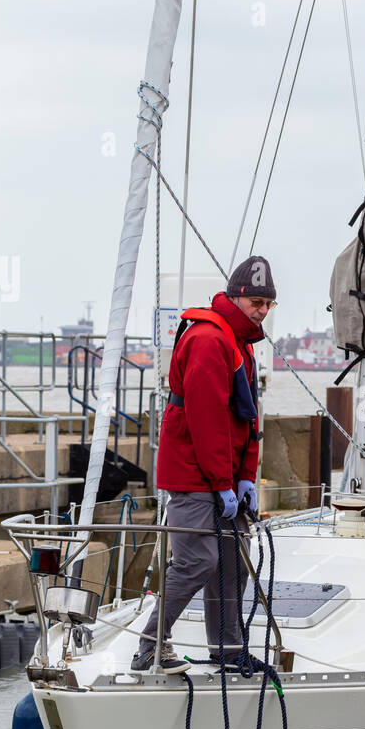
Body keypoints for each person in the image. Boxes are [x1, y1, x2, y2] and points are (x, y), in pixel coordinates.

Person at [131, 256, 277, 671]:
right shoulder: (209, 339)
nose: (262, 309)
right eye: (256, 301)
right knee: (197, 560)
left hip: (223, 476)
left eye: (268, 303)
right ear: (235, 297)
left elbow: (247, 420)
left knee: (234, 559)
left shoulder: (240, 344)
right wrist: (221, 483)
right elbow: (206, 419)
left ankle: (228, 651)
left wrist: (246, 478)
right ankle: (149, 647)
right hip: (195, 473)